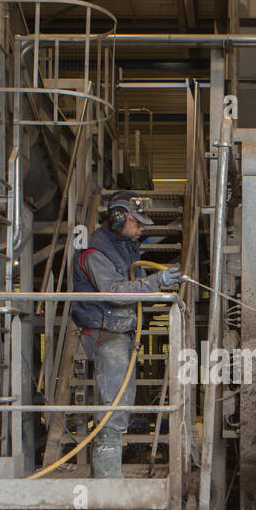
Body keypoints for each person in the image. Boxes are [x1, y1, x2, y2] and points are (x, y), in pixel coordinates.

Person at [70, 191, 181, 477]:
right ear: (118, 218)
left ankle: (109, 473)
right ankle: (107, 478)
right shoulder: (96, 251)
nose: (142, 228)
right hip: (103, 329)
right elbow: (116, 292)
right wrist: (157, 281)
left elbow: (134, 282)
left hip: (120, 328)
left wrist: (154, 285)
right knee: (116, 400)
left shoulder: (125, 245)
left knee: (124, 396)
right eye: (138, 222)